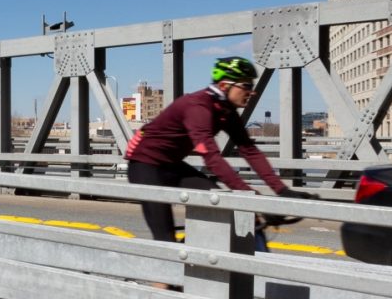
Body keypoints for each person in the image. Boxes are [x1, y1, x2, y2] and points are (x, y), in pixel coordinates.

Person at [123, 56, 312, 243]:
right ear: (224, 86)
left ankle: (196, 253)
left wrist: (282, 190)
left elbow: (249, 151)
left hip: (172, 166)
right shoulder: (198, 107)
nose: (252, 92)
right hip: (145, 165)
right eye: (246, 86)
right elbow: (212, 158)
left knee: (218, 204)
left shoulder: (226, 111)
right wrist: (253, 200)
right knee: (165, 237)